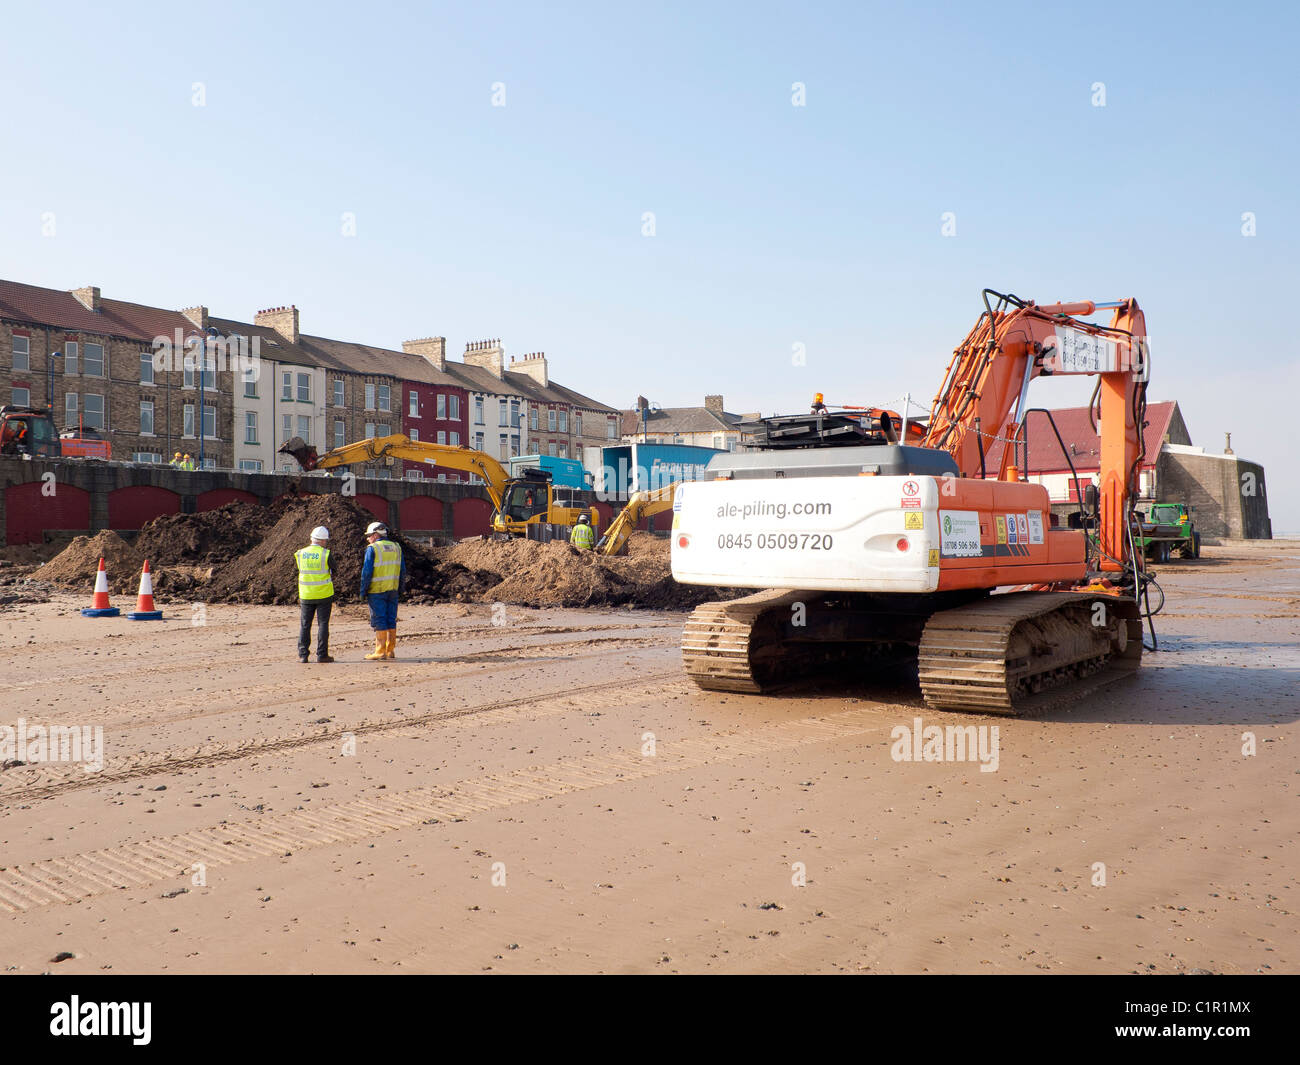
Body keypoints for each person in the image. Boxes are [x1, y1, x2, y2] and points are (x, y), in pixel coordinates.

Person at [360, 521, 405, 660]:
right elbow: (402, 570)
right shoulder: (396, 547)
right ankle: (390, 650)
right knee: (391, 618)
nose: (368, 539)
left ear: (375, 535)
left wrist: (363, 590)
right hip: (393, 589)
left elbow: (366, 572)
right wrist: (401, 588)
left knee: (379, 619)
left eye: (369, 535)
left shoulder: (373, 548)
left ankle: (380, 651)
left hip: (377, 590)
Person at [294, 525, 335, 663]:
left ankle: (303, 655)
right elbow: (335, 569)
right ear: (323, 541)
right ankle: (322, 655)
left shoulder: (300, 553)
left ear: (312, 539)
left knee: (305, 625)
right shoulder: (326, 554)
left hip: (306, 594)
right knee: (323, 624)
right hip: (324, 594)